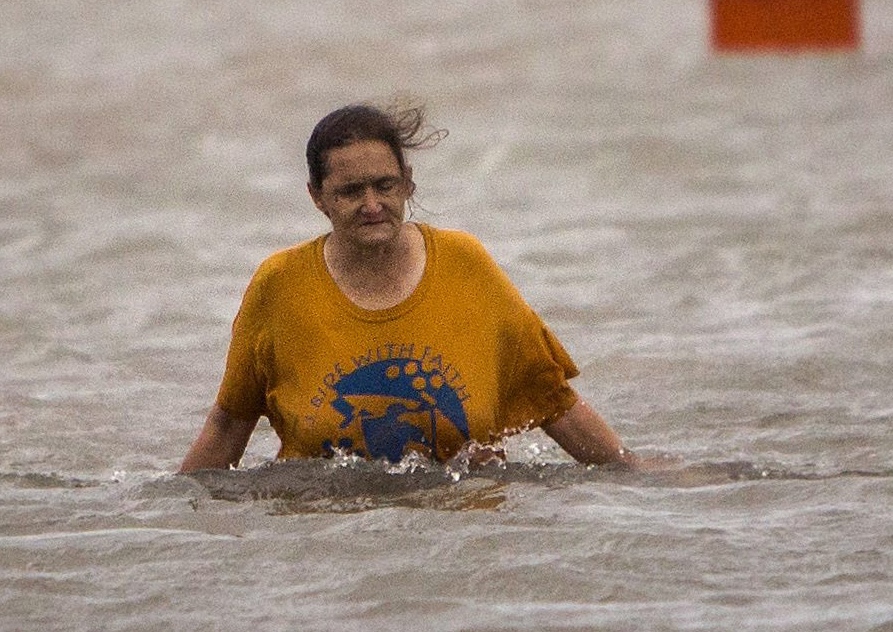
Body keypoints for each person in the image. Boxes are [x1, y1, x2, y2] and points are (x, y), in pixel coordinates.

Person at [180, 102, 638, 473]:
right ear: (316, 197)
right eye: (350, 191)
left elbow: (553, 400)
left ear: (409, 181)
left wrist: (635, 475)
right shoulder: (278, 285)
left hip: (464, 537)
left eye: (386, 185)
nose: (372, 205)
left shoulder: (465, 264)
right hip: (324, 544)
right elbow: (228, 426)